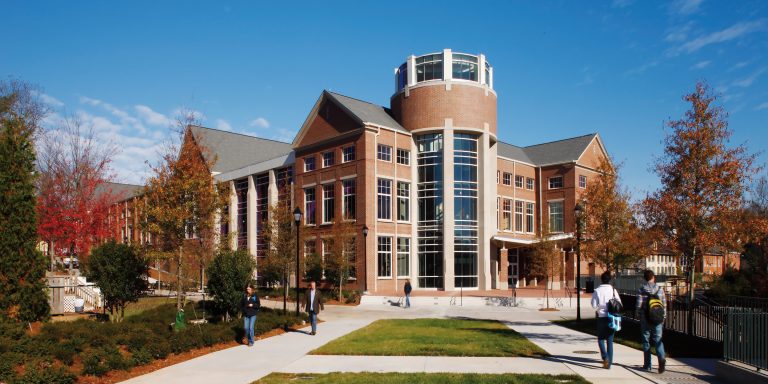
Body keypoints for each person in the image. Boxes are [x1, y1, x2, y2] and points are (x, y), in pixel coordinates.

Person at [636, 269, 666, 373]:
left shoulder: (641, 290)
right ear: (653, 277)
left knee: (646, 341)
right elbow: (664, 305)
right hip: (657, 319)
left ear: (645, 278)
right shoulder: (660, 289)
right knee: (658, 340)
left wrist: (639, 316)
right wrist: (663, 318)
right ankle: (661, 359)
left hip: (645, 319)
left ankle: (647, 365)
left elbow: (638, 306)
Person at [591, 271, 622, 369]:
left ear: (601, 279)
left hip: (601, 317)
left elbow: (594, 305)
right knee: (610, 340)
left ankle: (605, 357)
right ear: (609, 280)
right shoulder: (613, 290)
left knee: (600, 339)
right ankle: (609, 363)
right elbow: (619, 303)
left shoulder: (597, 291)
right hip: (612, 317)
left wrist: (599, 308)